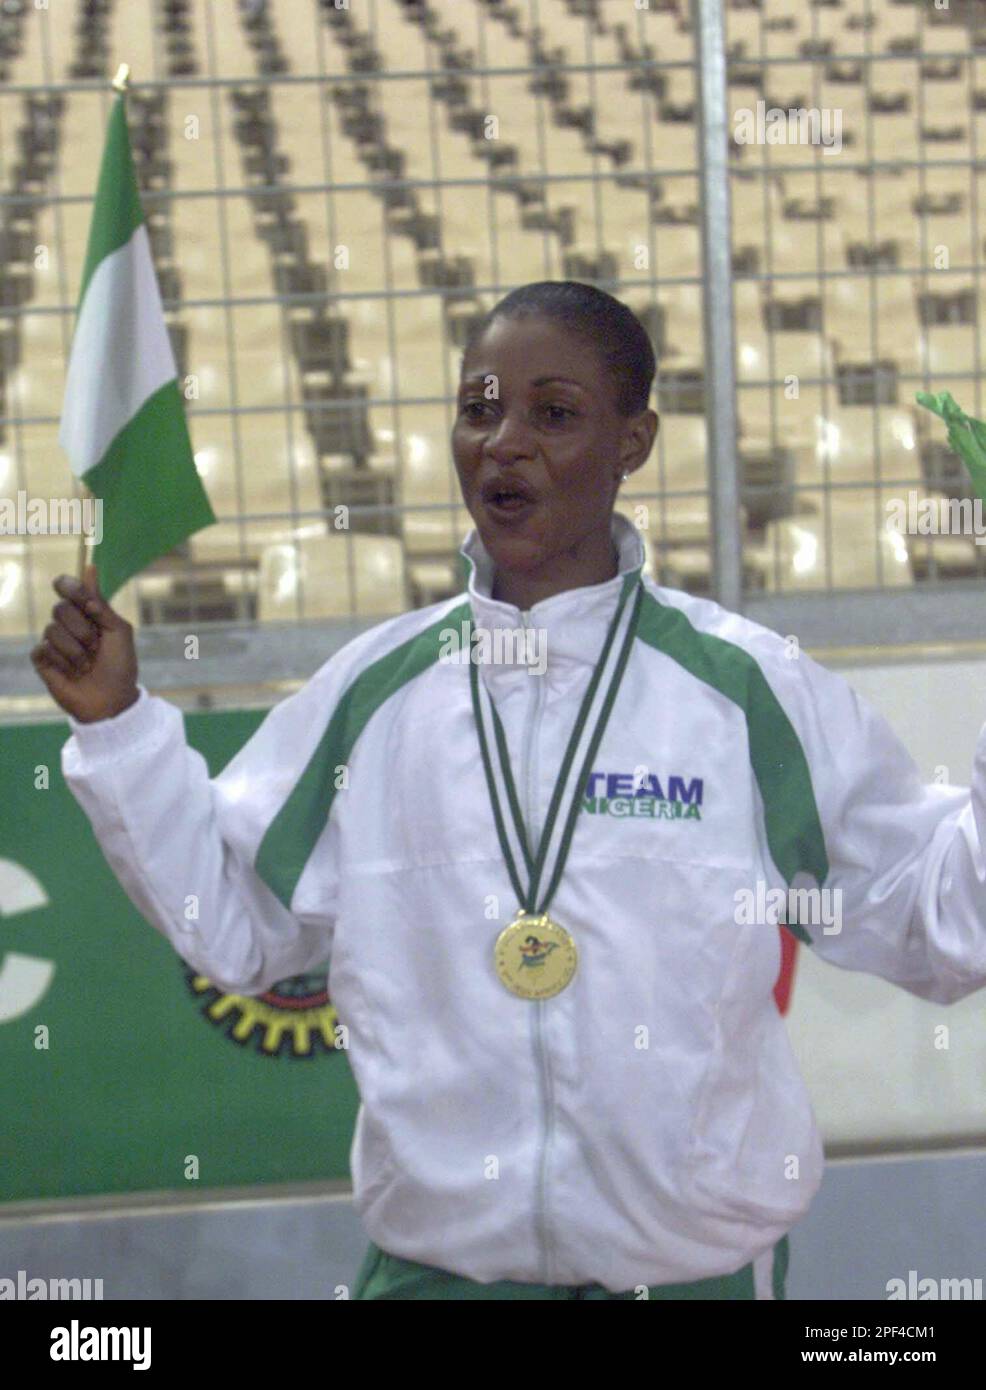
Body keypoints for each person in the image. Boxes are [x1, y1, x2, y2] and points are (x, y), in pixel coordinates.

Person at [32, 280, 986, 1301]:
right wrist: (118, 728)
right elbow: (231, 922)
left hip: (690, 1282)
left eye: (555, 413)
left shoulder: (743, 690)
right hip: (435, 1278)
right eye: (479, 408)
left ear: (633, 441)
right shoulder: (374, 693)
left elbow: (940, 918)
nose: (504, 442)